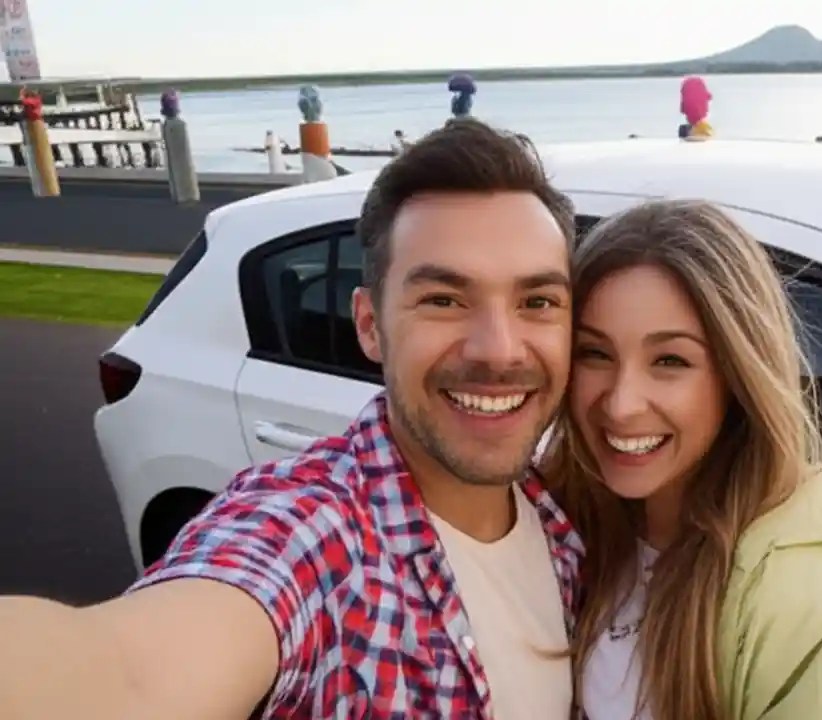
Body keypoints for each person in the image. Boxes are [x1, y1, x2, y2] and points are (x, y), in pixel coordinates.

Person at [0, 118, 583, 719]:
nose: (499, 350)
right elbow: (128, 676)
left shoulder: (567, 524)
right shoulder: (311, 535)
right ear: (369, 326)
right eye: (443, 300)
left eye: (537, 302)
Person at [540, 199, 822, 720]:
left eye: (670, 361)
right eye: (595, 354)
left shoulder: (802, 596)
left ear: (738, 376)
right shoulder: (559, 523)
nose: (621, 404)